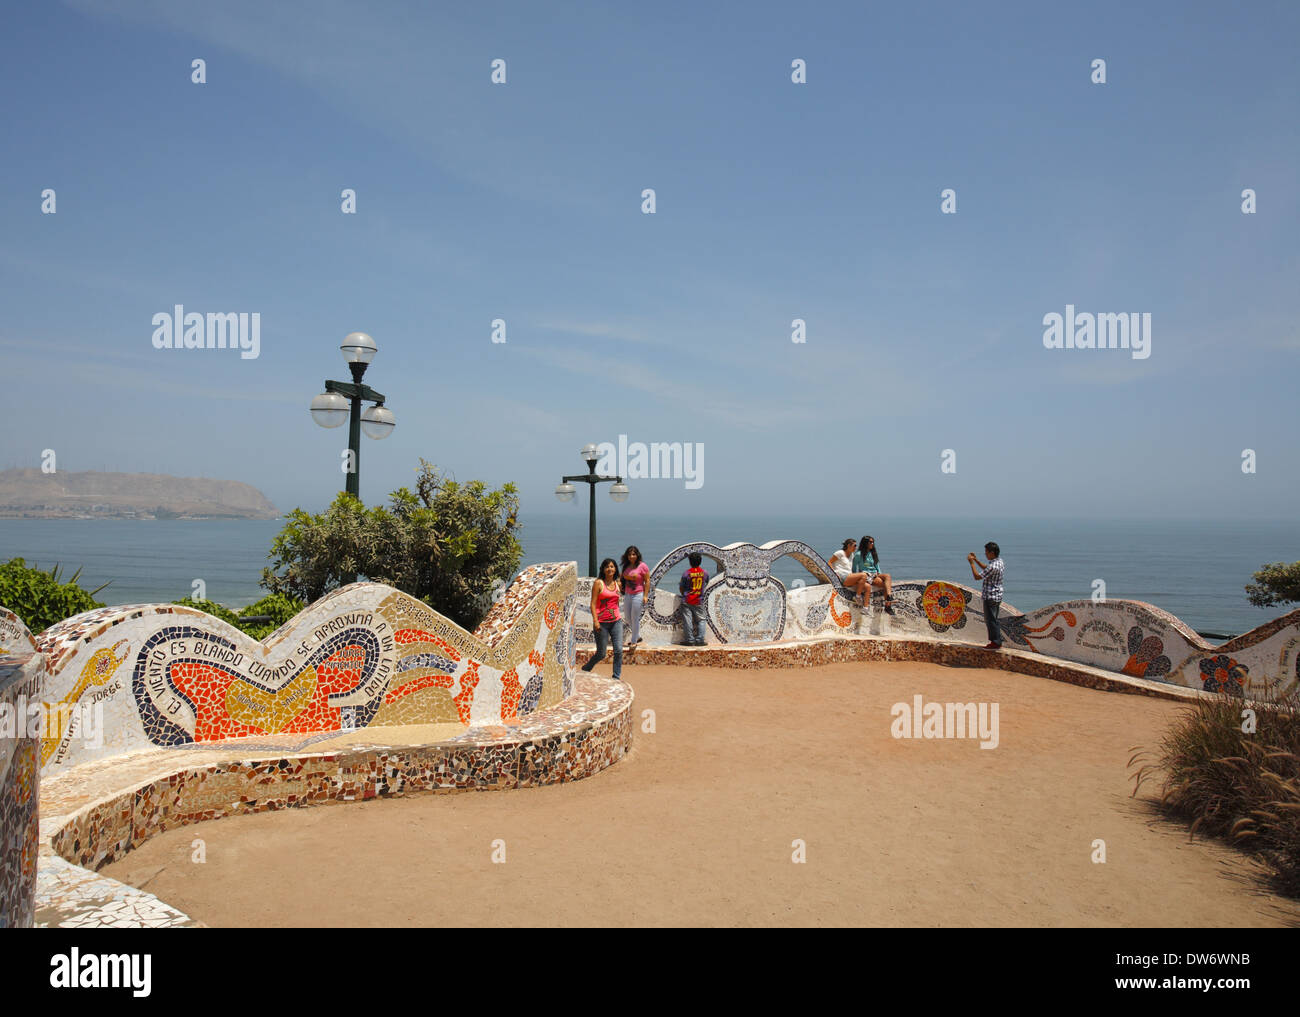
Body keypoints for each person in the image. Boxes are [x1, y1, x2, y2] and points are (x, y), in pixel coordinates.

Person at [581, 558, 623, 679]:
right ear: (603, 569)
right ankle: (587, 667)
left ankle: (616, 676)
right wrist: (595, 621)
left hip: (616, 621)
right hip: (602, 623)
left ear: (615, 569)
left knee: (619, 650)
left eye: (612, 566)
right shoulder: (598, 583)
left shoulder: (618, 583)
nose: (610, 569)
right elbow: (593, 604)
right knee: (601, 653)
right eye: (607, 567)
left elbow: (616, 602)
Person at [967, 542, 1005, 650]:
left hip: (990, 596)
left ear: (992, 553)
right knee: (994, 619)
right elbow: (987, 568)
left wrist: (971, 563)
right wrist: (976, 560)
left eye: (986, 552)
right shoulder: (999, 562)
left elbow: (977, 576)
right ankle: (997, 641)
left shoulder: (993, 566)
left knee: (991, 620)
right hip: (997, 595)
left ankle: (995, 642)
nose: (986, 554)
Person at [854, 535, 895, 615]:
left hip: (875, 574)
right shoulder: (859, 554)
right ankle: (888, 606)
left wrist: (879, 572)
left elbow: (876, 565)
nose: (872, 543)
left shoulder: (872, 553)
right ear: (865, 543)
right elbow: (854, 566)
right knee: (884, 585)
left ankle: (889, 597)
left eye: (873, 542)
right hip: (866, 575)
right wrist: (855, 578)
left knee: (887, 576)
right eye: (870, 542)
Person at [620, 546, 650, 648]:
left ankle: (633, 641)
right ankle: (637, 636)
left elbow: (647, 581)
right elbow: (622, 577)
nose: (631, 556)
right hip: (628, 594)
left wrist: (645, 596)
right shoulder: (626, 566)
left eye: (633, 554)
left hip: (638, 594)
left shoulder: (643, 566)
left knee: (634, 617)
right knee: (628, 618)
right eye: (629, 555)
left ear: (637, 555)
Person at [678, 552, 711, 646]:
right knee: (701, 620)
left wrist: (684, 594)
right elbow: (707, 582)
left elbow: (681, 587)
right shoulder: (704, 573)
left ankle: (690, 640)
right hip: (699, 600)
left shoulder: (686, 573)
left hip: (687, 599)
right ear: (700, 561)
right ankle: (700, 639)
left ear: (690, 562)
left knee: (687, 620)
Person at [829, 538, 872, 607]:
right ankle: (857, 596)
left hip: (849, 576)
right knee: (864, 575)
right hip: (842, 576)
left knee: (867, 587)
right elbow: (829, 562)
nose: (856, 547)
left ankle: (865, 608)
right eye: (854, 545)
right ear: (849, 545)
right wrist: (833, 574)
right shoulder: (840, 553)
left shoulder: (852, 555)